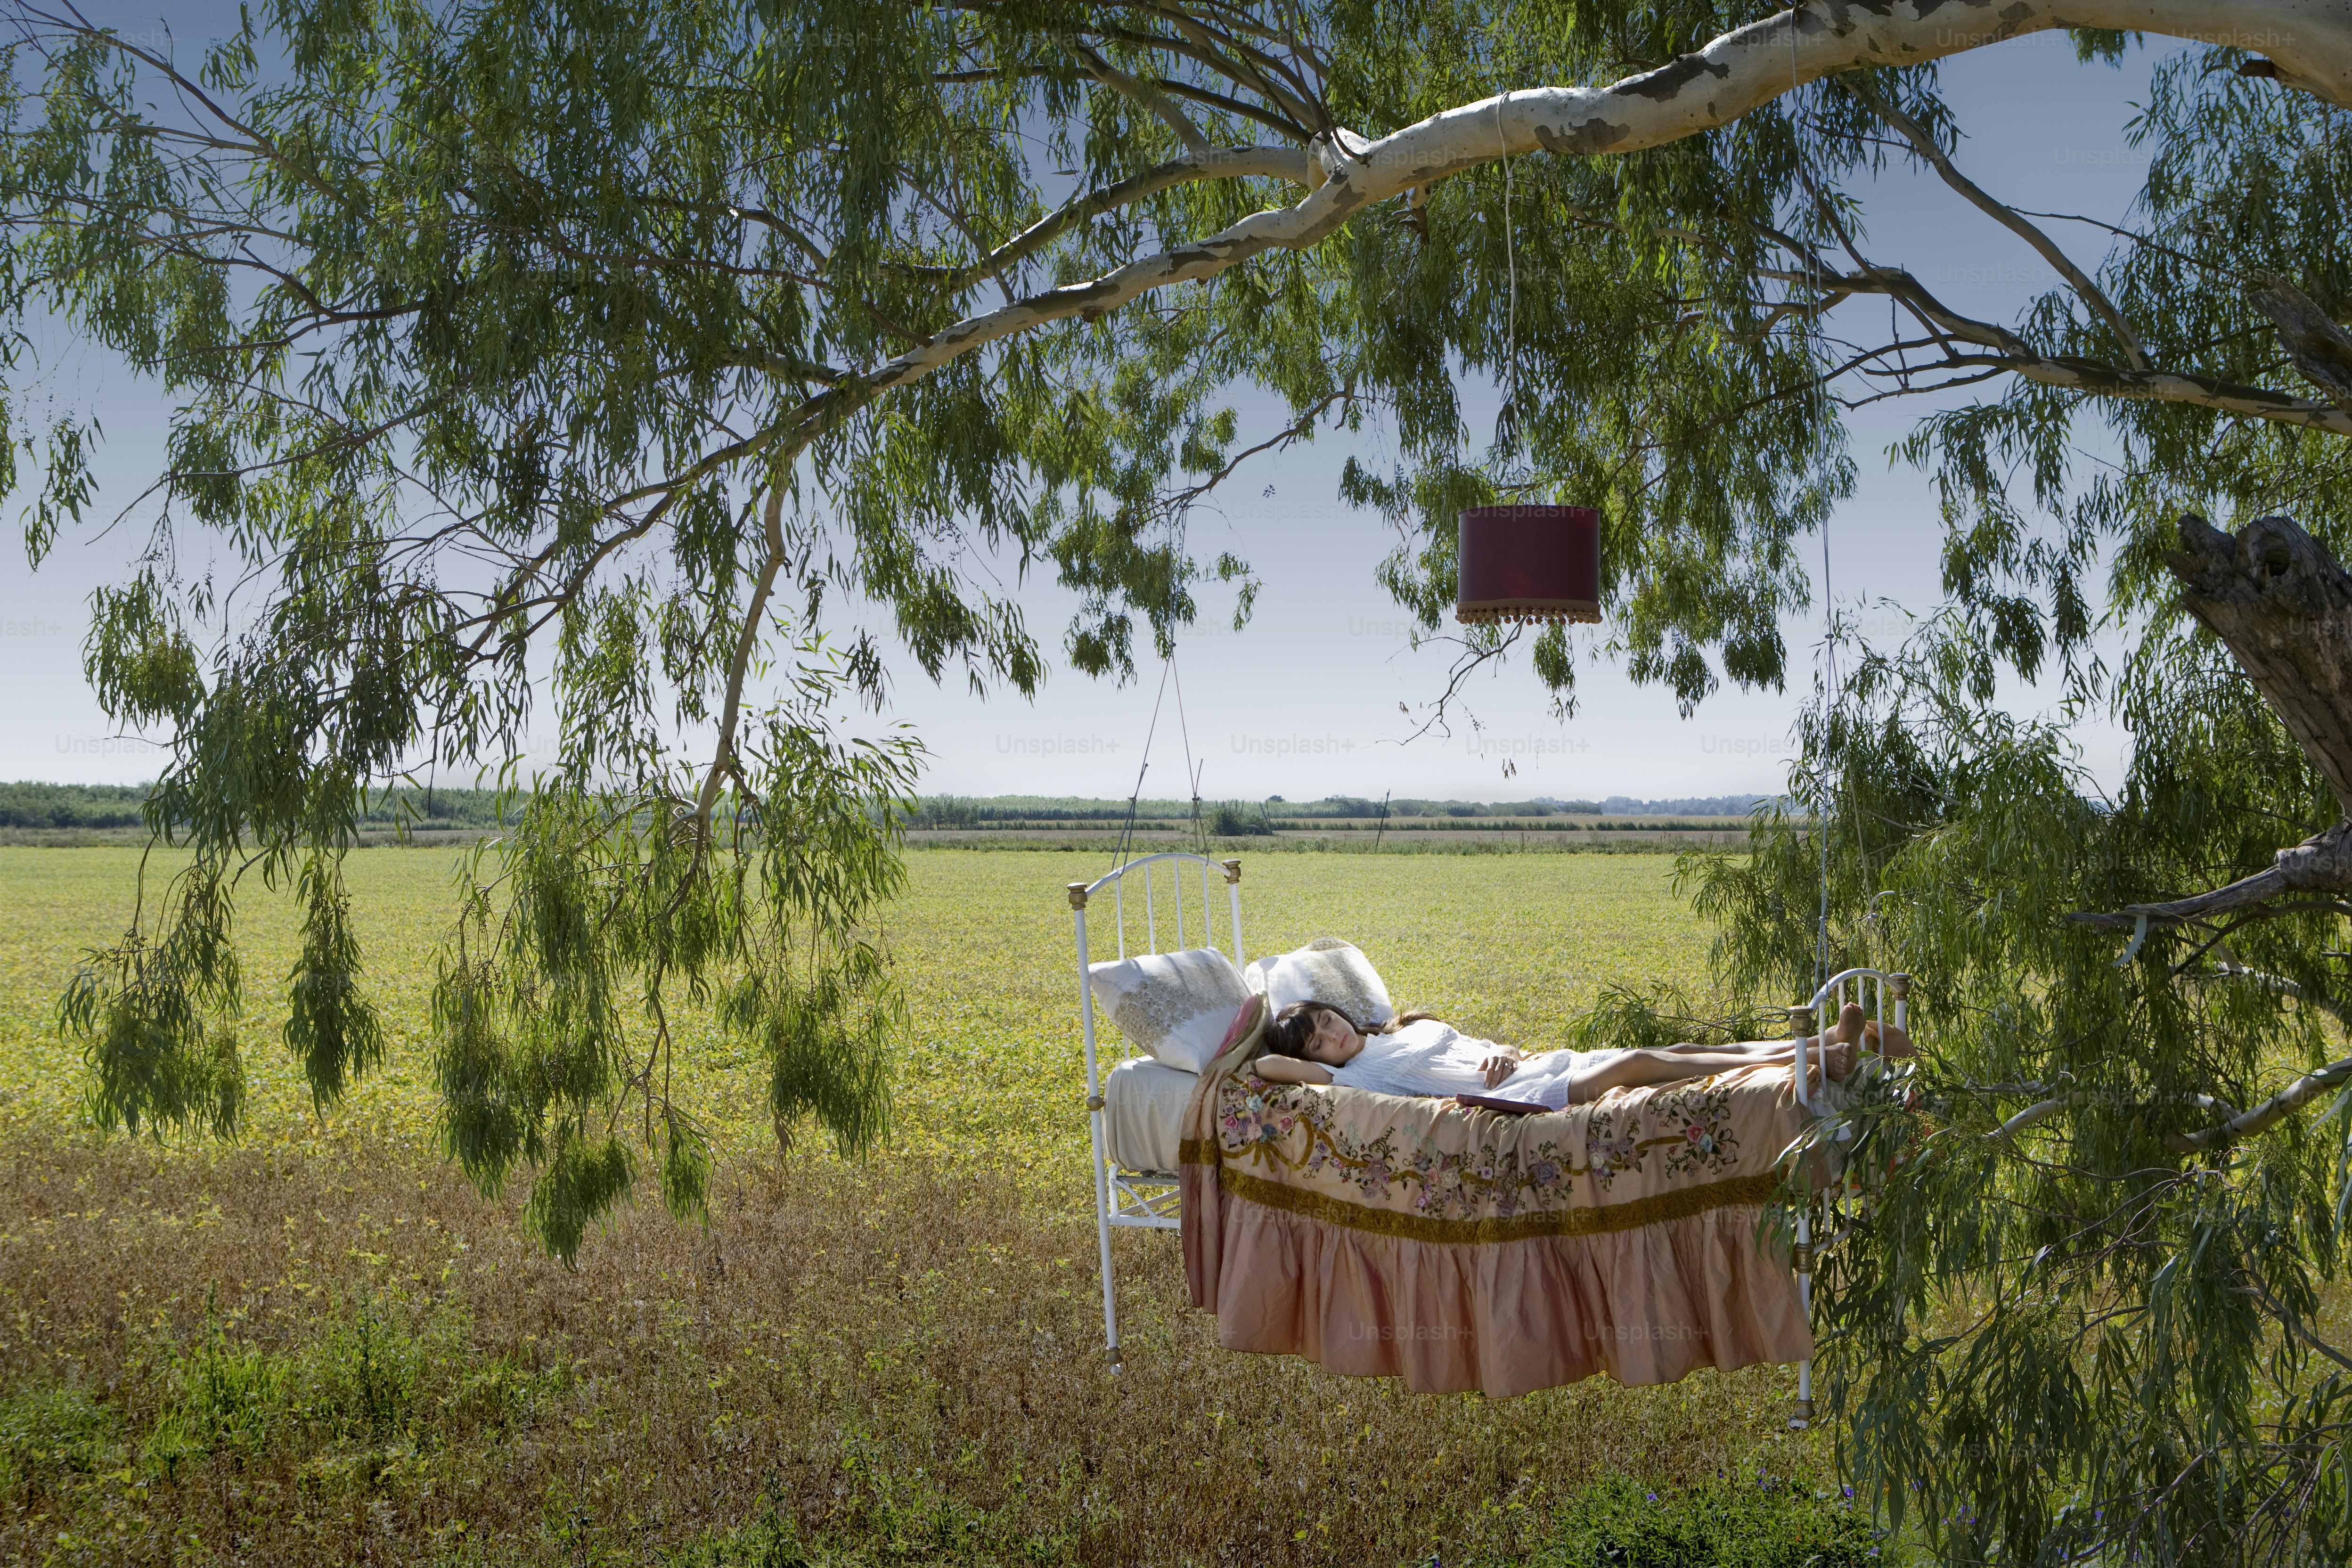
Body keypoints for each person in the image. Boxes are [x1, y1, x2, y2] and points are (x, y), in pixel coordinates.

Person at [1250, 998, 1912, 1109]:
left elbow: (1482, 1045)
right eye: (1317, 1040)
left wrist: (1504, 1049)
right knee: (1637, 1065)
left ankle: (1822, 1042)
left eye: (1327, 1021)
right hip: (1512, 1100)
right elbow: (1264, 1066)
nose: (1331, 1036)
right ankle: (1803, 1063)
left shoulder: (1401, 1029)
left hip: (1531, 1066)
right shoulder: (1349, 1075)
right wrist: (1268, 1018)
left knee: (1677, 1048)